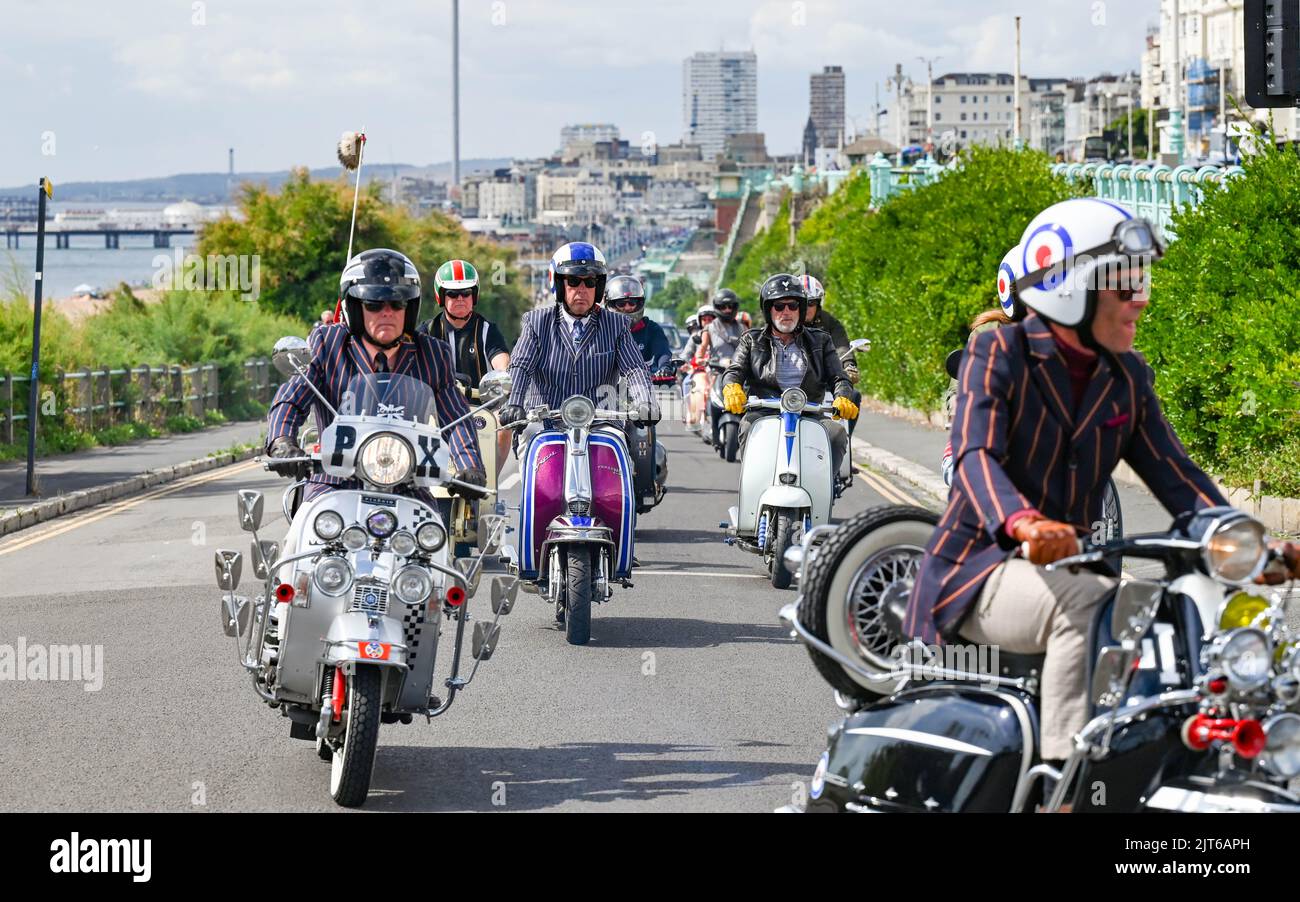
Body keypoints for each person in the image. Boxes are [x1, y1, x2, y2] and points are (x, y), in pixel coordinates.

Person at [902, 198, 1234, 766]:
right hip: (981, 566)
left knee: (1179, 617)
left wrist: (1245, 537)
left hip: (1066, 568)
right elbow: (977, 456)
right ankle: (1065, 781)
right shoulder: (998, 351)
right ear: (1068, 287)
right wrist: (1023, 520)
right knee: (1092, 605)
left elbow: (1178, 476)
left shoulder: (1127, 375)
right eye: (1124, 285)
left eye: (1142, 281)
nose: (1142, 298)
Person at [266, 248, 485, 502]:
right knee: (300, 537)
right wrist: (282, 442)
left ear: (410, 307)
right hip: (333, 485)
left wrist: (470, 466)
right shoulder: (327, 344)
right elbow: (291, 399)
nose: (387, 312)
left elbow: (456, 418)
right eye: (374, 304)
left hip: (408, 489)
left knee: (436, 538)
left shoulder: (433, 353)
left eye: (398, 303)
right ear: (355, 307)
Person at [498, 242, 657, 445]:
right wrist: (514, 403)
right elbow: (520, 366)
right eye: (573, 281)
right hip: (544, 422)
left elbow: (635, 368)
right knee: (531, 442)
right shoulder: (536, 322)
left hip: (601, 422)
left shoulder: (617, 324)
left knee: (617, 444)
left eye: (590, 282)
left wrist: (646, 400)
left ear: (598, 287)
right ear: (558, 285)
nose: (582, 289)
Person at [720, 273, 858, 485]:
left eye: (793, 306)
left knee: (837, 433)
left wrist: (843, 397)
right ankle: (752, 488)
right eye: (779, 306)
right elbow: (734, 370)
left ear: (801, 309)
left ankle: (823, 486)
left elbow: (839, 377)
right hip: (764, 412)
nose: (786, 312)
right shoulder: (751, 340)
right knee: (747, 426)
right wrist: (731, 387)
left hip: (809, 413)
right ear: (768, 310)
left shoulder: (821, 340)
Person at [417, 258, 512, 470]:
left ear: (474, 295)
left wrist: (504, 375)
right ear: (441, 296)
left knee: (504, 423)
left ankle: (490, 482)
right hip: (437, 407)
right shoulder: (426, 331)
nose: (460, 298)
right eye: (452, 294)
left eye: (466, 293)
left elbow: (501, 363)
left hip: (480, 406)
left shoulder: (487, 329)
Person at [605, 275, 674, 378]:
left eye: (632, 302)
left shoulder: (651, 329)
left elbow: (662, 351)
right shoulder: (601, 329)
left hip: (643, 385)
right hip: (605, 385)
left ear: (639, 303)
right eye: (621, 303)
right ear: (611, 305)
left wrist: (664, 367)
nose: (627, 307)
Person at [695, 288, 745, 363]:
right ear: (717, 307)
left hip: (739, 371)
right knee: (701, 375)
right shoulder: (709, 328)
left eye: (730, 306)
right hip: (717, 371)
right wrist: (700, 359)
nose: (728, 310)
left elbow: (751, 351)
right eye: (723, 307)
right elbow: (702, 349)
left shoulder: (743, 328)